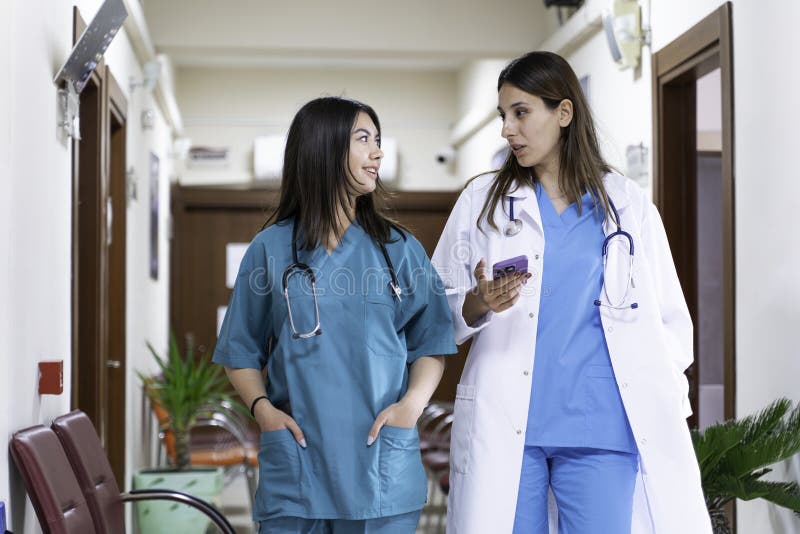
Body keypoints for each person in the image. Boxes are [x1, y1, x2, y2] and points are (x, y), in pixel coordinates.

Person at [432, 51, 712, 534]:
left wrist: (658, 392)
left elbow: (669, 320)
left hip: (601, 424)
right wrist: (479, 304)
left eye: (521, 113)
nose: (507, 129)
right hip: (509, 424)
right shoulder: (483, 202)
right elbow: (434, 310)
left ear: (563, 113)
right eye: (503, 116)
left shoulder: (626, 204)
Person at [213, 96, 458, 533]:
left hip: (380, 465)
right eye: (364, 139)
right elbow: (239, 351)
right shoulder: (270, 250)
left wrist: (412, 405)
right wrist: (262, 409)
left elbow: (432, 341)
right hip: (298, 465)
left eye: (378, 140)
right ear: (323, 149)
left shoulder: (399, 250)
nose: (378, 152)